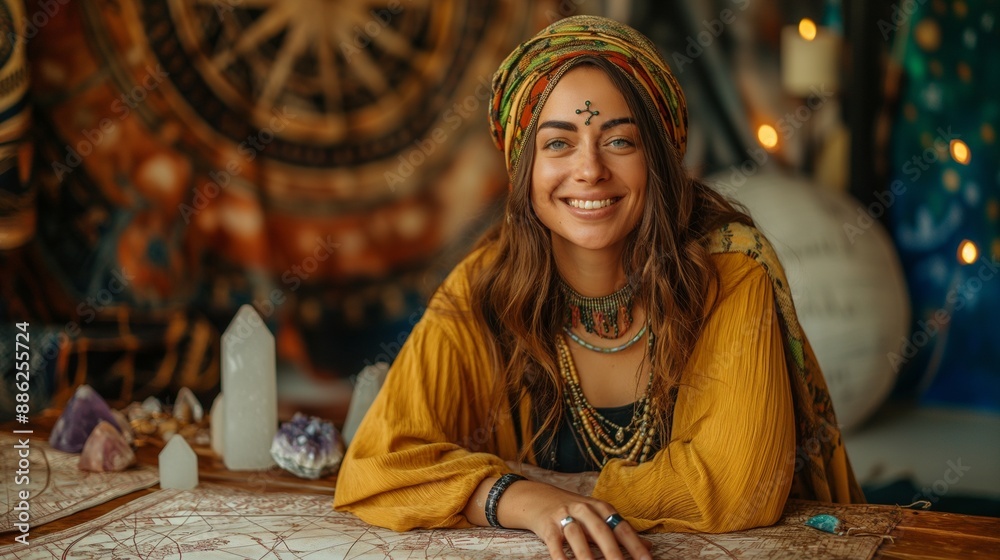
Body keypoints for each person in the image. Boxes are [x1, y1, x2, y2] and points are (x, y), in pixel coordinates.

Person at [334, 15, 863, 560]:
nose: (589, 170)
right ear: (523, 166)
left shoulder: (729, 274)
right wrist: (527, 501)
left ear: (657, 157)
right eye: (558, 144)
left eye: (619, 140)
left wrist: (558, 496)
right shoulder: (482, 285)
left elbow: (738, 484)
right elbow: (379, 463)